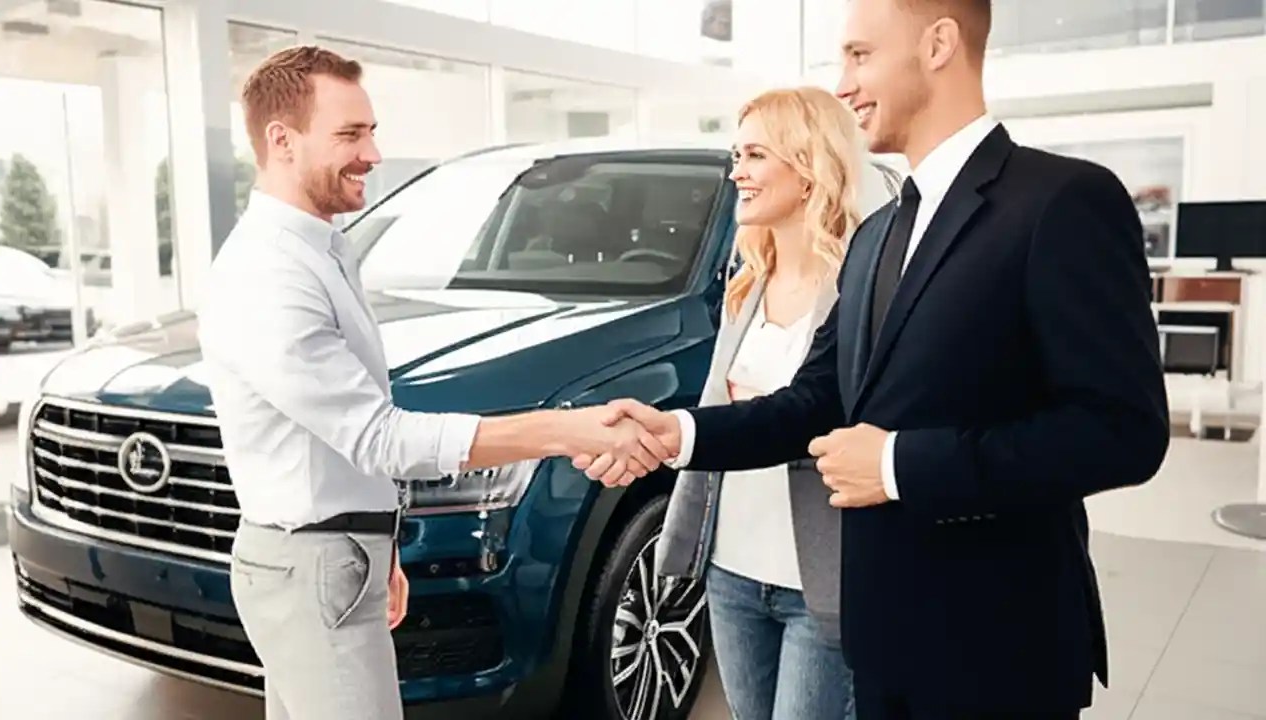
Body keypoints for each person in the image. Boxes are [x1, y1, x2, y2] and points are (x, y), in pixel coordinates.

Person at [576, 0, 1171, 717]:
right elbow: (817, 400)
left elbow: (1122, 432)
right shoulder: (877, 234)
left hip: (997, 646)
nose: (844, 84)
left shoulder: (1063, 200)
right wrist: (679, 433)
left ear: (938, 44)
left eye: (860, 56)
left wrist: (896, 465)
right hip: (879, 639)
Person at [196, 46, 667, 720]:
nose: (372, 153)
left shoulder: (318, 248)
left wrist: (378, 542)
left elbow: (341, 441)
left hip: (333, 555)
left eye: (371, 131)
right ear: (282, 141)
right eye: (350, 134)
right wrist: (568, 429)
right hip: (313, 564)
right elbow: (379, 436)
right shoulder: (270, 274)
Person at [653, 86, 893, 720]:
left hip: (820, 581)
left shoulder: (861, 292)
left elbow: (824, 417)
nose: (737, 172)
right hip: (732, 570)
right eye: (737, 155)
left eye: (756, 155)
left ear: (809, 168)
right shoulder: (747, 286)